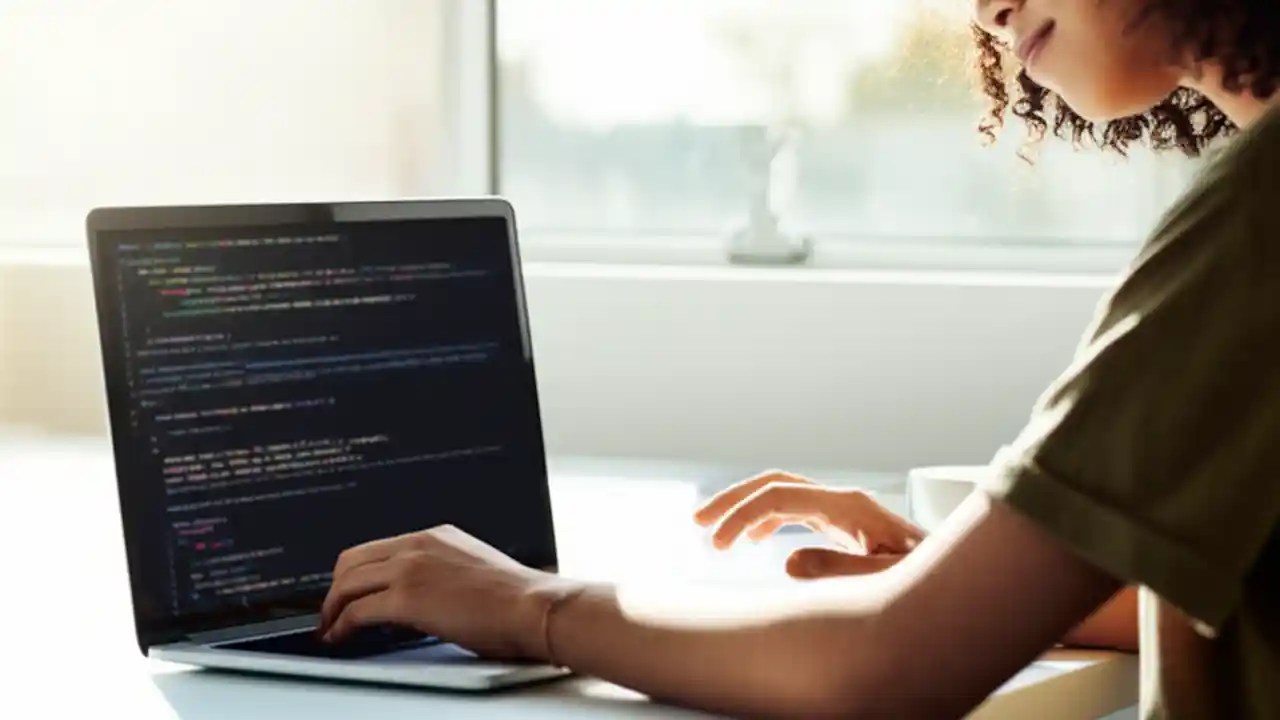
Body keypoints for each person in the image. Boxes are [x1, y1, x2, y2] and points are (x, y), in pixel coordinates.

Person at [316, 0, 1279, 717]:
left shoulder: (1260, 213)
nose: (990, 10)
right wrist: (970, 576)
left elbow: (886, 667)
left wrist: (528, 605)